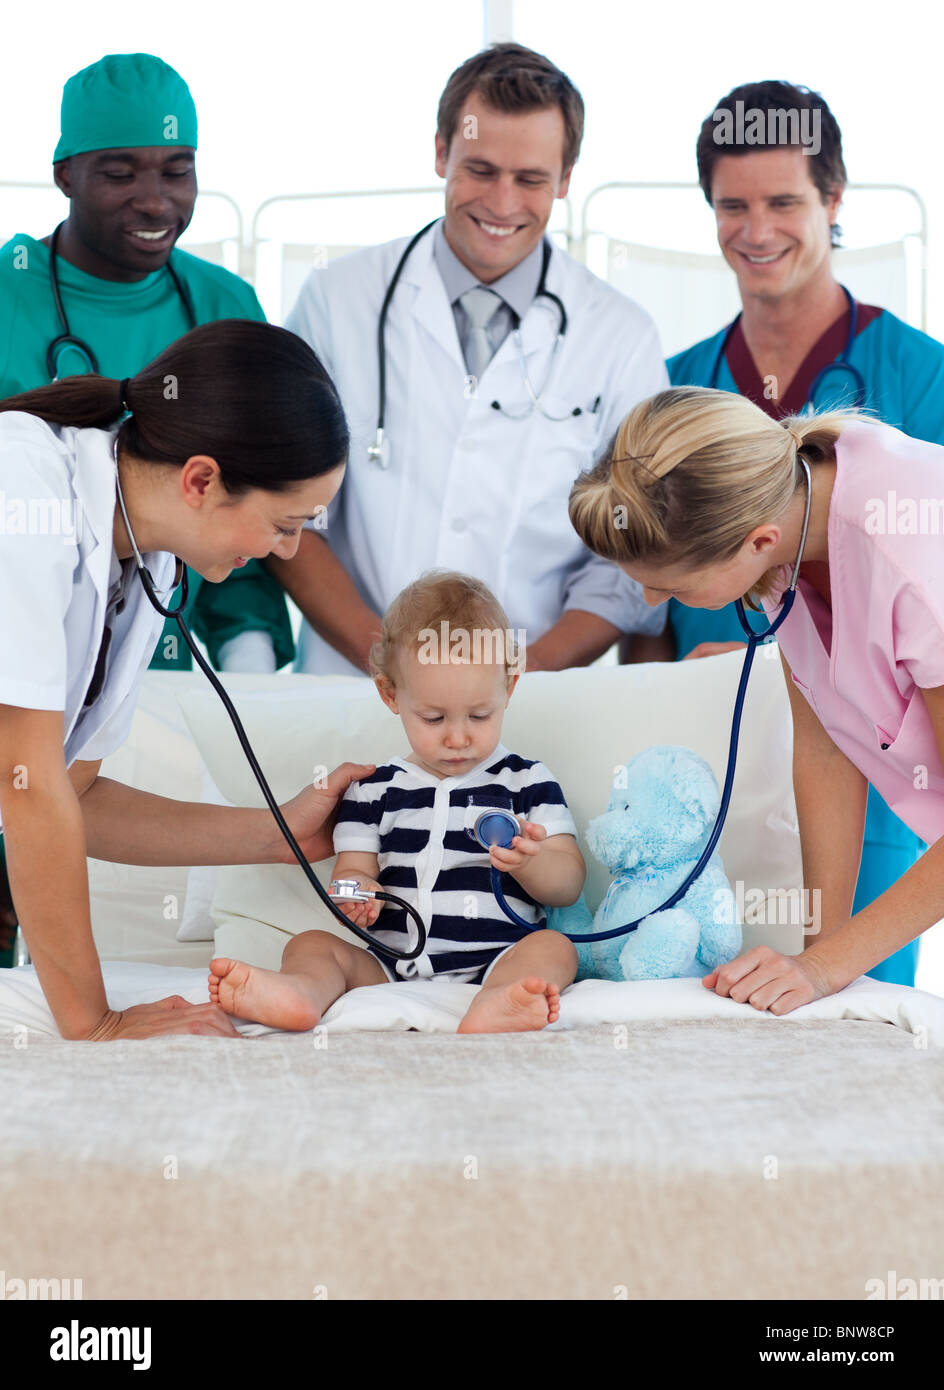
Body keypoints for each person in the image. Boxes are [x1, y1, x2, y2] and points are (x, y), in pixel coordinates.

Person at [640, 80, 944, 986]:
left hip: (903, 758)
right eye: (733, 204)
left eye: (784, 200)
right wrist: (817, 963)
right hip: (738, 747)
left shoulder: (912, 397)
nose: (756, 227)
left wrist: (830, 967)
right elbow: (819, 726)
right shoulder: (683, 385)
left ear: (834, 201)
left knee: (863, 990)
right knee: (757, 982)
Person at [0, 320, 374, 1037]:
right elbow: (29, 789)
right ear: (201, 480)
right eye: (285, 523)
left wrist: (278, 836)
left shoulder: (152, 559)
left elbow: (77, 794)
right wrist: (97, 1024)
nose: (286, 550)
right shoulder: (24, 487)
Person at [274, 42, 668, 677]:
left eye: (531, 179)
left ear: (565, 179)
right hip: (352, 690)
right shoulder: (337, 299)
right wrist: (386, 659)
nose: (503, 203)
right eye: (481, 169)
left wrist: (523, 675)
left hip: (532, 708)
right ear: (440, 153)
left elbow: (630, 557)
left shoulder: (620, 336)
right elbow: (286, 511)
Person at [570, 386, 944, 1016]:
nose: (655, 604)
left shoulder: (914, 564)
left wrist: (826, 968)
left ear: (757, 542)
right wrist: (813, 966)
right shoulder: (778, 522)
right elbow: (827, 746)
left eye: (669, 585)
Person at [0, 52, 294, 679]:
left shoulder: (225, 306)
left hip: (172, 674)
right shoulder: (8, 293)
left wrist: (249, 652)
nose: (157, 202)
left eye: (177, 171)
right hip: (21, 665)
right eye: (119, 173)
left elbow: (251, 500)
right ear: (65, 175)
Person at [209, 571, 584, 1034]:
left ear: (509, 688)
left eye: (480, 715)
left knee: (555, 947)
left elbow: (567, 885)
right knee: (312, 943)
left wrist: (531, 862)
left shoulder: (527, 781)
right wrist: (357, 896)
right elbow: (352, 872)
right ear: (390, 694)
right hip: (391, 963)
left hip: (501, 954)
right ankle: (299, 992)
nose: (458, 736)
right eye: (433, 717)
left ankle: (498, 1001)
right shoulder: (374, 789)